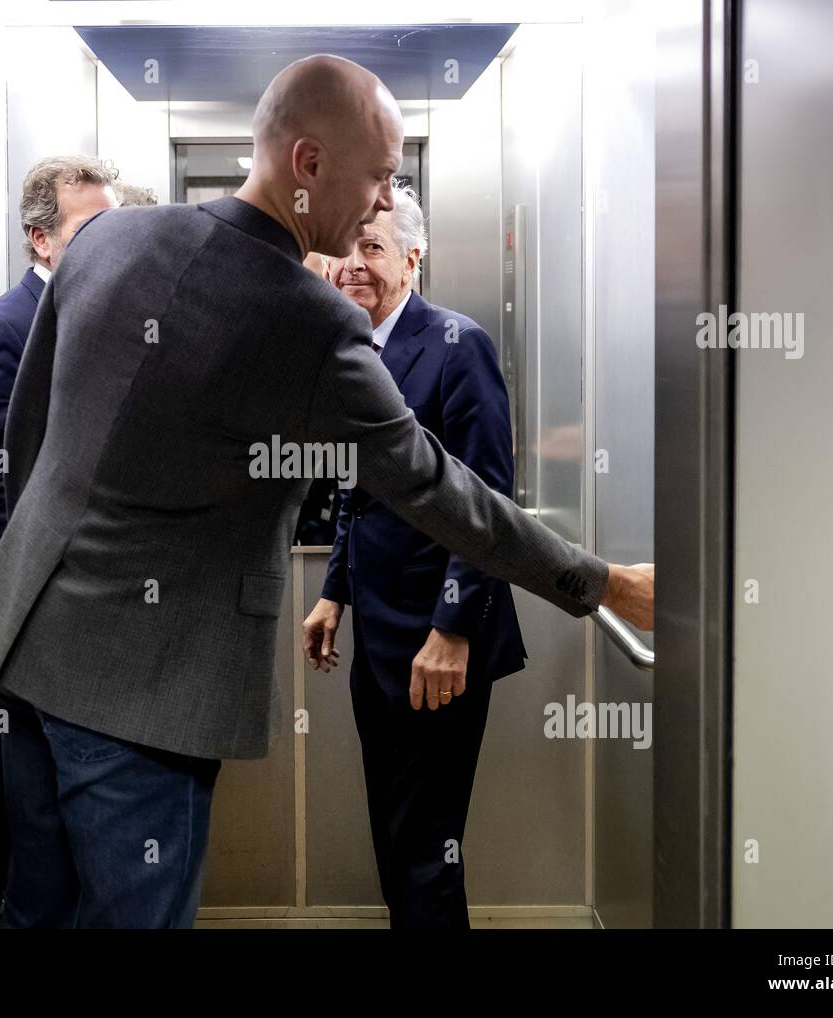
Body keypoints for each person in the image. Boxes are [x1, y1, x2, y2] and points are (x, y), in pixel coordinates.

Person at [0, 53, 654, 929]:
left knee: (34, 917)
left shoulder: (106, 239)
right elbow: (444, 492)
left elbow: (33, 434)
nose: (380, 203)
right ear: (310, 165)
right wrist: (604, 583)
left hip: (18, 648)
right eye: (379, 177)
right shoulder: (312, 322)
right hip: (139, 700)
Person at [303, 182, 523, 927]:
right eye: (348, 249)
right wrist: (335, 590)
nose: (355, 265)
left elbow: (489, 504)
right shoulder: (353, 351)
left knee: (428, 848)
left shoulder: (459, 347)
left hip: (440, 641)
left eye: (374, 248)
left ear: (413, 258)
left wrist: (454, 631)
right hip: (380, 638)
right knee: (396, 837)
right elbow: (356, 489)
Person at [0, 155, 120, 584]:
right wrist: (35, 591)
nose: (110, 244)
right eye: (89, 230)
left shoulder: (100, 316)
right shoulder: (5, 329)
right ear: (41, 239)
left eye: (114, 229)